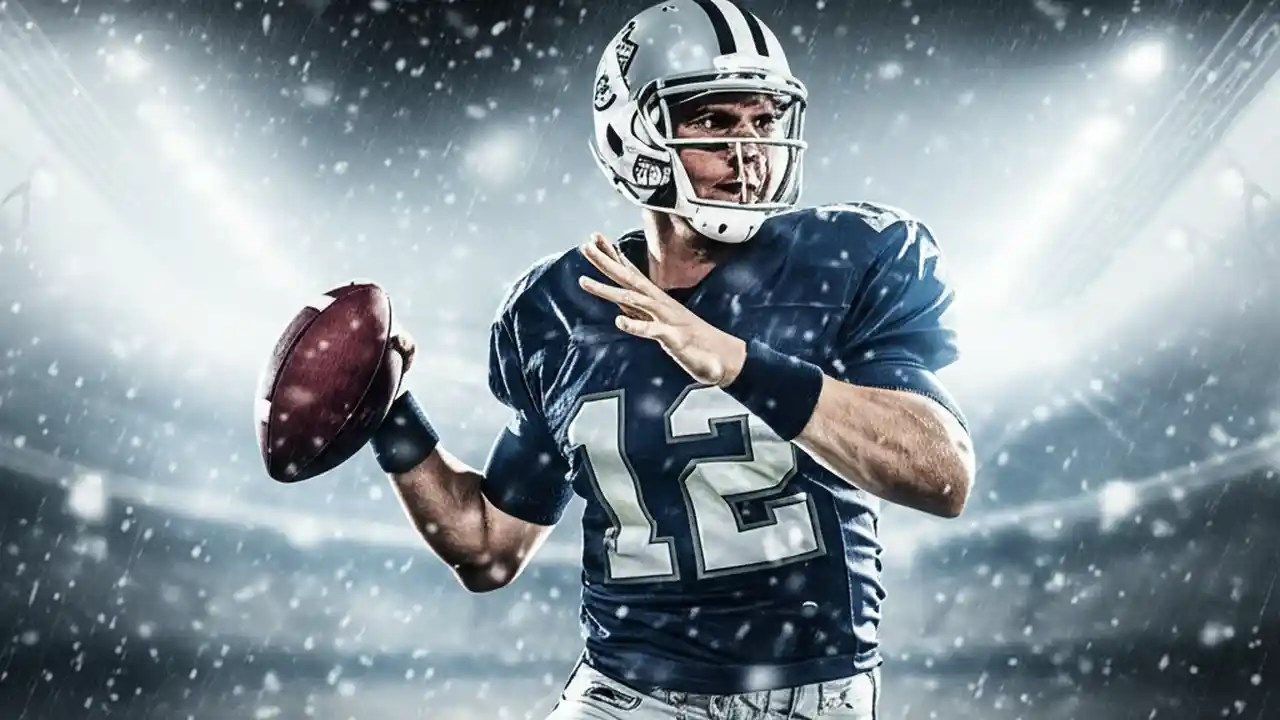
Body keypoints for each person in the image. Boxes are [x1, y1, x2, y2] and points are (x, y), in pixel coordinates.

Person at [366, 1, 975, 718]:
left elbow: (941, 475)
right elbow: (488, 548)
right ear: (633, 133)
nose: (749, 152)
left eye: (764, 121)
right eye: (715, 122)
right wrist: (390, 415)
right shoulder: (558, 308)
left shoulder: (848, 259)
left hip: (808, 697)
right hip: (621, 693)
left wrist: (737, 362)